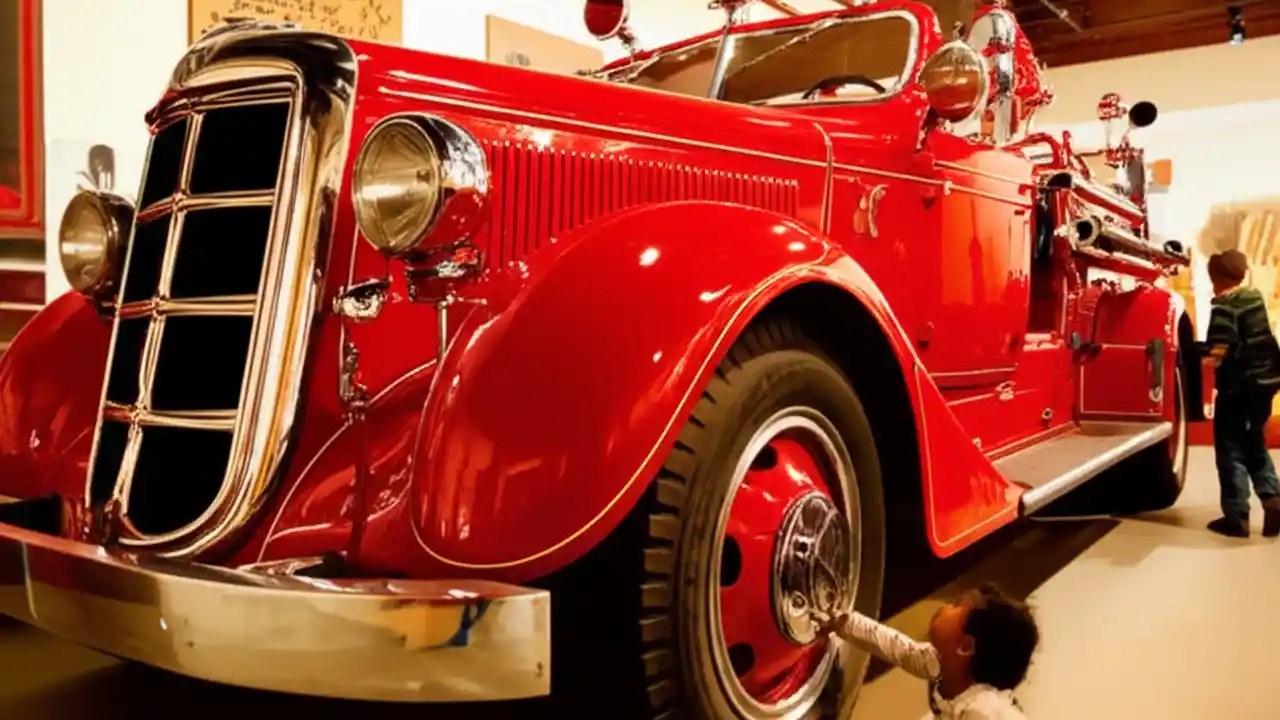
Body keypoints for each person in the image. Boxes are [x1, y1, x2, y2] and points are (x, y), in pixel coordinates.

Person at [823, 583, 1038, 719]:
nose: (945, 606)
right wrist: (841, 621)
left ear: (965, 647)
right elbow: (896, 647)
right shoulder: (938, 664)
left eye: (955, 606)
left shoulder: (984, 710)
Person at [1203, 249, 1280, 538]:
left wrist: (1210, 358)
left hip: (1238, 388)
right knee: (1255, 444)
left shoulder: (1225, 305)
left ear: (1218, 279)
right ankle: (1273, 500)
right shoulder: (1255, 299)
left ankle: (1236, 517)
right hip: (1265, 385)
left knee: (1230, 449)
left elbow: (1222, 344)